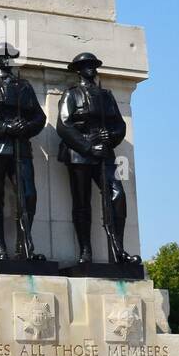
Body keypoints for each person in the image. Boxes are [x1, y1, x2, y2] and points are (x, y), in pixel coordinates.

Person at [56, 52, 140, 266]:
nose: (91, 69)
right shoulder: (71, 95)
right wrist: (88, 147)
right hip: (79, 154)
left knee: (117, 195)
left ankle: (118, 249)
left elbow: (119, 125)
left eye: (93, 65)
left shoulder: (106, 95)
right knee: (82, 203)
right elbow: (64, 126)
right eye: (86, 65)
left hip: (104, 153)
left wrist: (110, 138)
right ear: (78, 70)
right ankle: (85, 251)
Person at [0, 42, 46, 260]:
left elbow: (39, 117)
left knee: (28, 195)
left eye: (10, 56)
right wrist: (4, 127)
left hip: (20, 146)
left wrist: (25, 127)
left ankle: (24, 245)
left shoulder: (23, 85)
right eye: (3, 56)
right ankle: (0, 248)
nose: (8, 59)